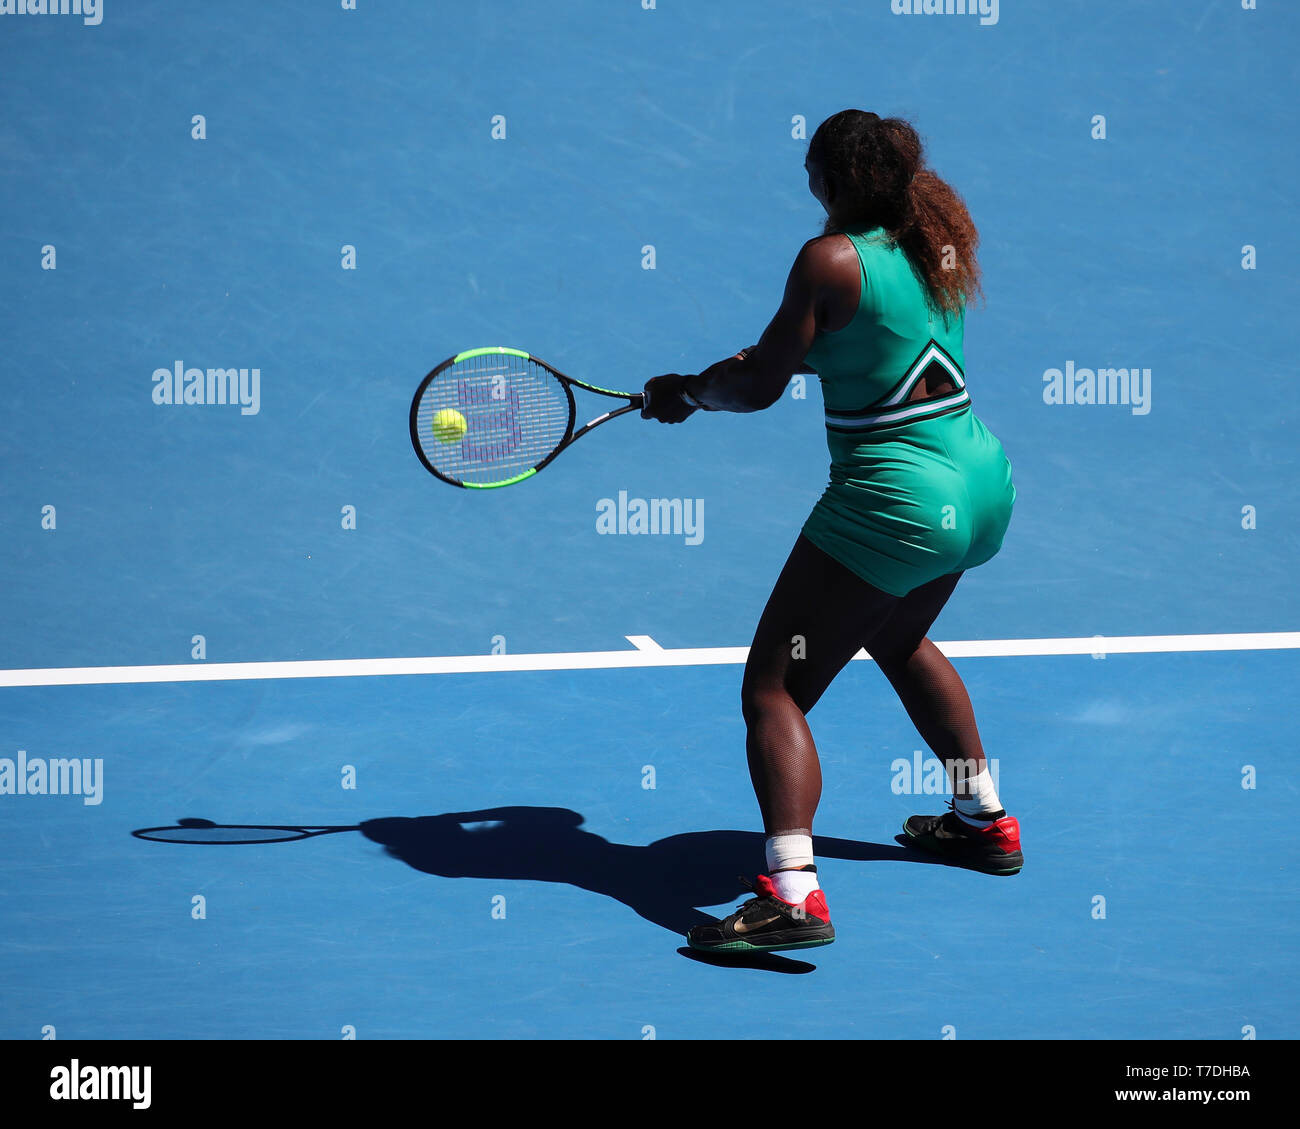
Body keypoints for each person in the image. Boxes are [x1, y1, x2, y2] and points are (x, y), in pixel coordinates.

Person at [642, 110, 1021, 955]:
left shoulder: (829, 259)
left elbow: (763, 384)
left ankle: (791, 893)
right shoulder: (929, 242)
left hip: (896, 504)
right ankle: (981, 817)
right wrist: (721, 372)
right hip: (983, 486)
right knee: (900, 635)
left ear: (837, 181)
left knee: (773, 688)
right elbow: (847, 348)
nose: (807, 184)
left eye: (812, 171)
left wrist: (691, 393)